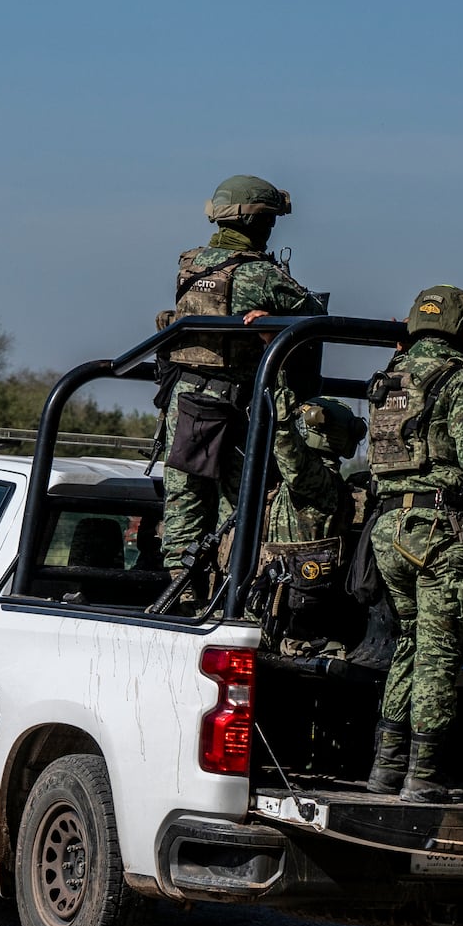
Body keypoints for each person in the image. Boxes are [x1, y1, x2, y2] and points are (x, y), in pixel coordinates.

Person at [363, 285, 463, 803]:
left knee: (408, 641)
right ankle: (424, 776)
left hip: (387, 529)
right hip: (436, 530)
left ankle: (385, 769)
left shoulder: (390, 379)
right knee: (438, 652)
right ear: (461, 327)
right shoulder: (459, 381)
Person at [156, 174, 323, 604]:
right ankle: (232, 596)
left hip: (185, 400)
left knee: (185, 500)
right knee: (244, 502)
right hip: (236, 406)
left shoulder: (189, 264)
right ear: (259, 222)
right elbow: (316, 315)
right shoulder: (263, 276)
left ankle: (181, 591)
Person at [258, 385, 363, 652]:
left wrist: (281, 410)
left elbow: (292, 461)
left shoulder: (319, 481)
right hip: (277, 606)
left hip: (293, 619)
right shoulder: (316, 479)